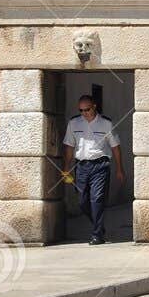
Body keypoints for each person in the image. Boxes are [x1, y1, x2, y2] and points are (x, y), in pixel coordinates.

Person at [61, 93, 124, 245]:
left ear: (94, 106)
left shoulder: (106, 123)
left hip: (100, 165)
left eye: (87, 109)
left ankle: (97, 235)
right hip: (81, 166)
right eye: (81, 110)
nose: (84, 113)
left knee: (97, 199)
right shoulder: (74, 123)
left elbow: (115, 147)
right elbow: (69, 146)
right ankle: (99, 227)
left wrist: (119, 169)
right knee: (83, 203)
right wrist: (66, 168)